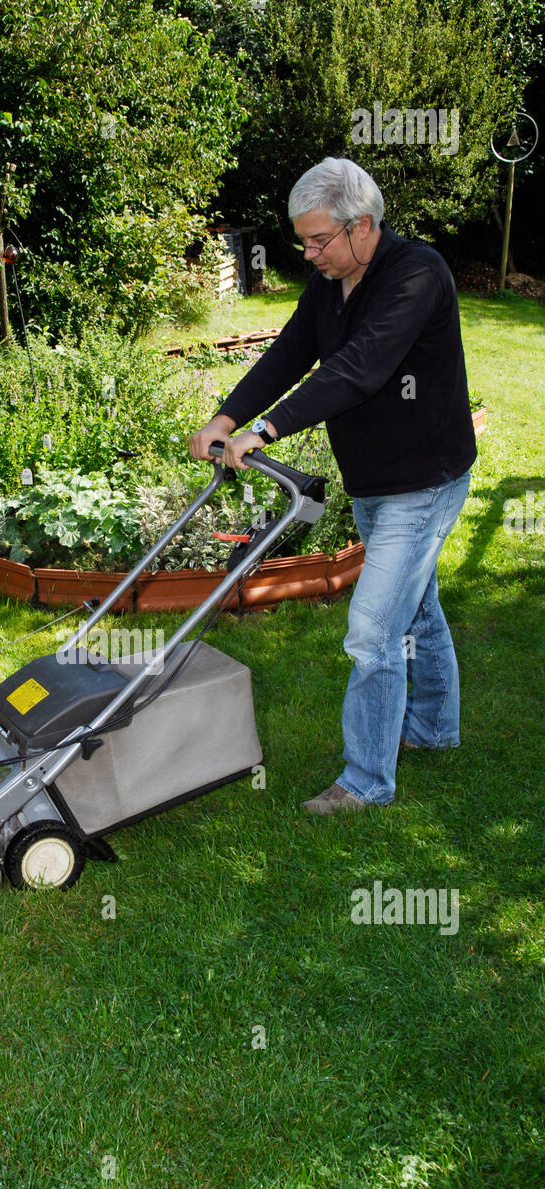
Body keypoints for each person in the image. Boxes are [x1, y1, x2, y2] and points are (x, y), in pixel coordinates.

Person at [188, 157, 475, 814]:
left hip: (424, 481)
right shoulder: (329, 283)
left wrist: (267, 430)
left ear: (362, 225)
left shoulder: (417, 274)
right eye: (303, 241)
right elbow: (290, 353)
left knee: (373, 629)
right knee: (415, 609)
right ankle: (435, 729)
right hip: (373, 478)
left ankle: (367, 783)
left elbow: (360, 367)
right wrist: (226, 419)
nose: (309, 253)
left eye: (319, 240)